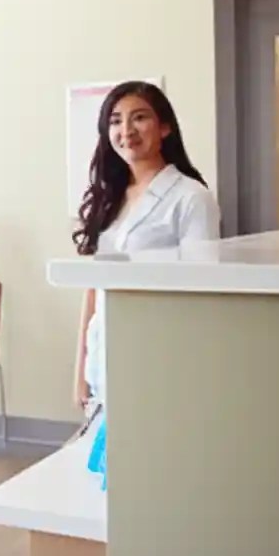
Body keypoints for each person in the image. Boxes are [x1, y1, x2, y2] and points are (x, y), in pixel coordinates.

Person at [72, 81, 219, 411]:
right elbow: (94, 289)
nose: (126, 130)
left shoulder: (191, 197)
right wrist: (79, 368)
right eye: (115, 121)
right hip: (104, 355)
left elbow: (203, 293)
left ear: (165, 127)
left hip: (160, 352)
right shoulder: (109, 197)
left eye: (139, 118)